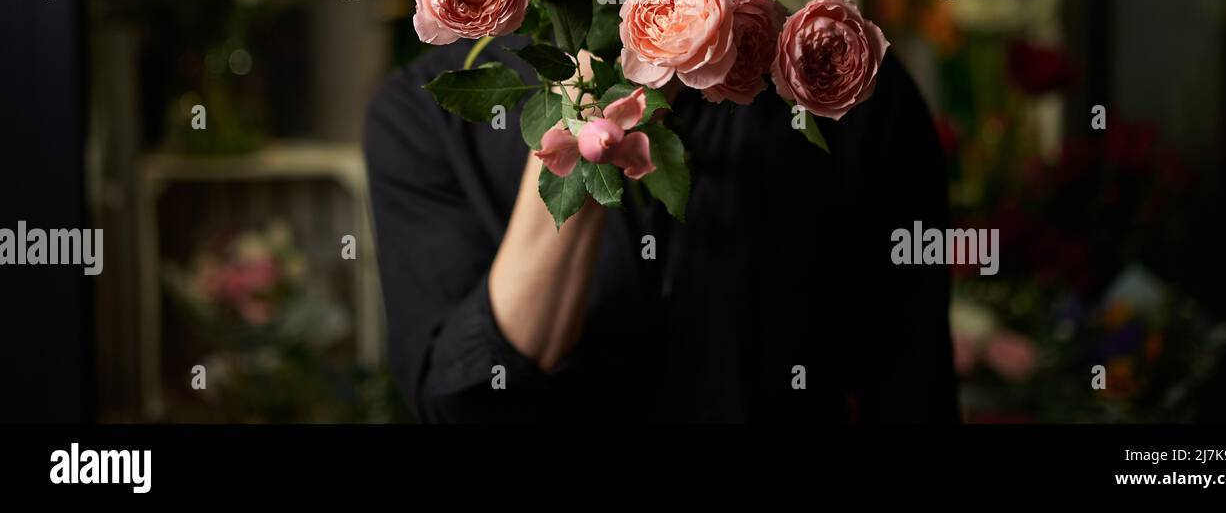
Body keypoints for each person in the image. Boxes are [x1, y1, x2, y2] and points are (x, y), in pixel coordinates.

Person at [364, 33, 958, 422]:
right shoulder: (424, 114)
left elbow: (912, 387)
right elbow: (464, 404)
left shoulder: (839, 79)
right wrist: (585, 132)